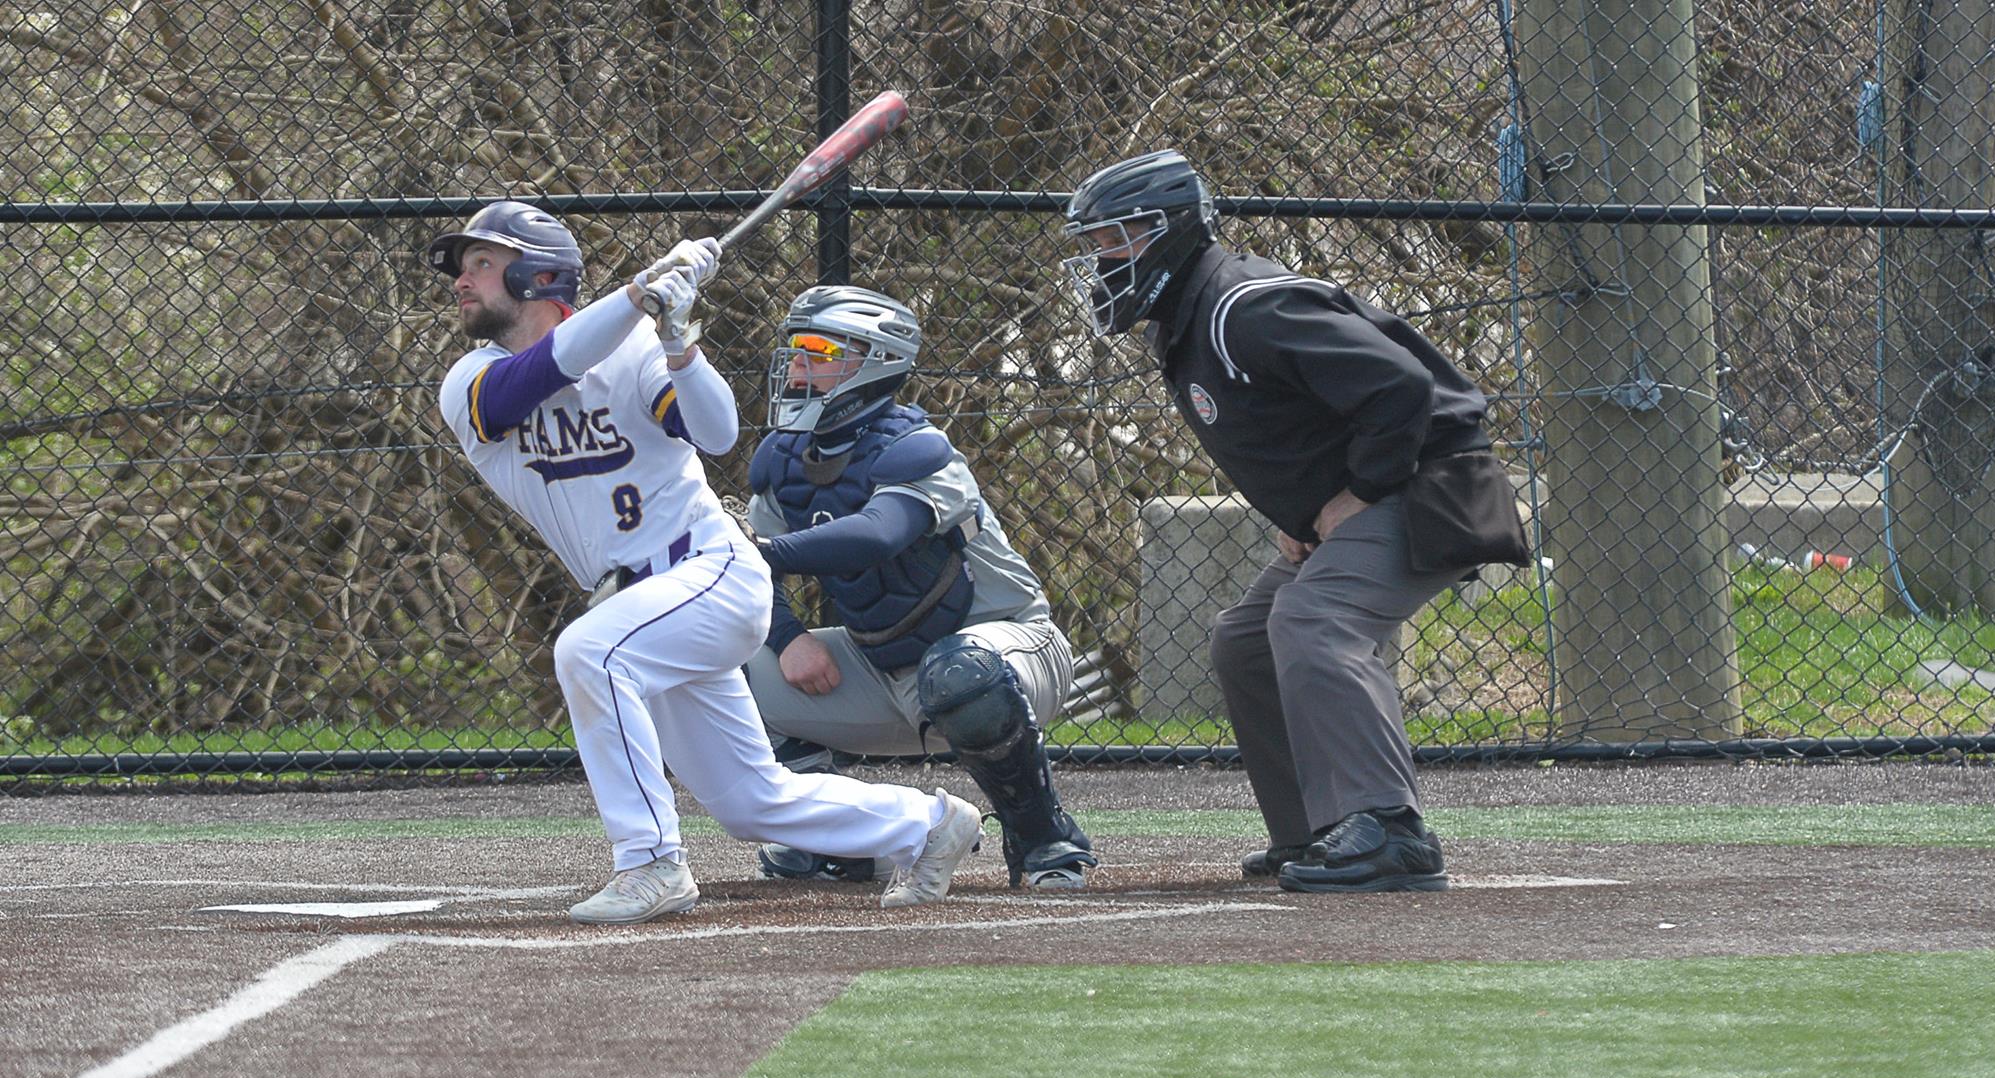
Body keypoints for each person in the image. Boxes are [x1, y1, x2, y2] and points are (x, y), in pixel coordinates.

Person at [426, 201, 981, 922]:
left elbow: (716, 434)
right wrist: (633, 295)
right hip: (638, 603)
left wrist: (681, 342)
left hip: (709, 571)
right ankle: (929, 825)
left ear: (539, 274)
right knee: (752, 801)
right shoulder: (469, 381)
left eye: (481, 264)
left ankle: (650, 862)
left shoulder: (634, 353)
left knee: (589, 654)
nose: (461, 282)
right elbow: (545, 370)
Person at [1059, 151, 1526, 893]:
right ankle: (1319, 826)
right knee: (1245, 641)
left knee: (1314, 619)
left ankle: (1390, 828)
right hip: (1385, 487)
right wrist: (1310, 509)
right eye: (1095, 246)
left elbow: (1401, 387)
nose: (1102, 262)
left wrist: (1358, 492)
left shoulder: (1245, 305)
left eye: (1114, 240)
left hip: (1434, 487)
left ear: (1167, 229)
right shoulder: (1189, 316)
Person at [738, 284, 1099, 890]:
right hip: (883, 670)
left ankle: (1045, 836)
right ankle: (841, 843)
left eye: (820, 350)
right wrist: (789, 635)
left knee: (958, 670)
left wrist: (761, 552)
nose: (798, 364)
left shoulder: (918, 448)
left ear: (874, 363)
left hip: (1011, 651)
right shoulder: (782, 463)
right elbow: (751, 576)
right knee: (725, 660)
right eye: (795, 349)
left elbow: (880, 533)